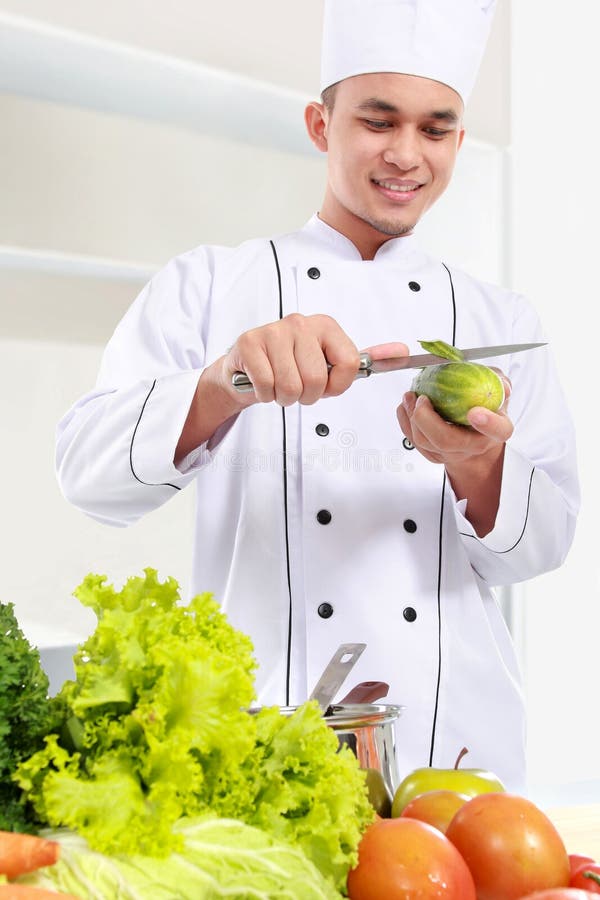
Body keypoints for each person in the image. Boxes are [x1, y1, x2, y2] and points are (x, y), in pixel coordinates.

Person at [55, 0, 579, 792]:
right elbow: (86, 477)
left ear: (459, 142)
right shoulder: (209, 285)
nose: (407, 154)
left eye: (436, 129)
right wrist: (222, 386)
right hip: (264, 733)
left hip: (457, 755)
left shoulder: (498, 320)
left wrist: (479, 465)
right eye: (378, 121)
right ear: (319, 123)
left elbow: (545, 548)